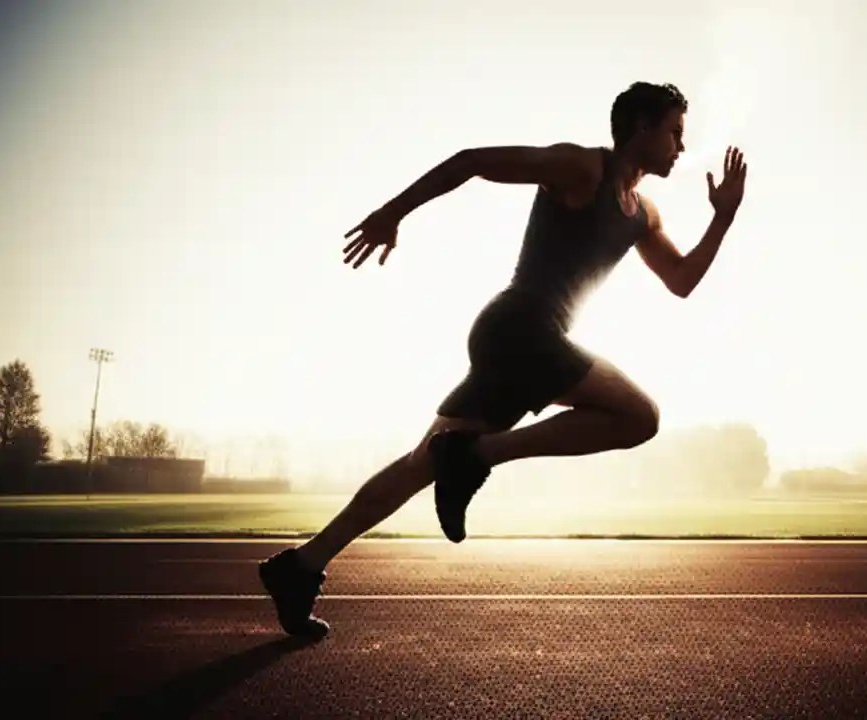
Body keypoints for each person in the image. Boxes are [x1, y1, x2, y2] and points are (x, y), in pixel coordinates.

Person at [258, 81, 747, 637]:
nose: (681, 147)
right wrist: (392, 212)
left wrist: (722, 219)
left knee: (424, 463)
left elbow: (681, 281)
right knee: (640, 416)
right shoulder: (582, 169)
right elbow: (472, 162)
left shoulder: (645, 216)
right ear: (641, 127)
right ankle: (480, 453)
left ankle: (301, 565)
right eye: (675, 132)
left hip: (524, 344)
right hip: (521, 329)